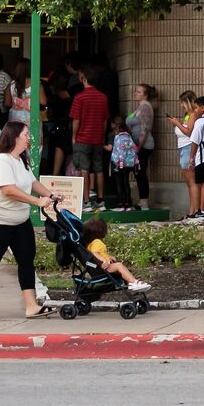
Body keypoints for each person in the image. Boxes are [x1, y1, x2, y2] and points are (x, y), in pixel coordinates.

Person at [0, 121, 59, 320]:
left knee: (26, 258)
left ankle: (31, 306)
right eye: (27, 134)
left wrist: (51, 195)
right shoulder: (1, 160)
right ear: (15, 137)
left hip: (19, 220)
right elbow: (8, 190)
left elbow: (32, 182)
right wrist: (38, 201)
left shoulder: (20, 159)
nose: (29, 138)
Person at [68, 70, 111, 209]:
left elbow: (76, 120)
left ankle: (86, 201)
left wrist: (74, 136)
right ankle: (100, 200)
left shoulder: (79, 97)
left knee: (84, 169)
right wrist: (102, 135)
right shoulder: (103, 97)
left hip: (83, 138)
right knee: (99, 169)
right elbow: (105, 120)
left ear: (84, 79)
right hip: (98, 138)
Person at [81, 217, 150, 292]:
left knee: (121, 267)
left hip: (98, 268)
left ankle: (127, 281)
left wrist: (109, 257)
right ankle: (133, 282)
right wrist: (103, 261)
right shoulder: (97, 242)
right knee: (119, 266)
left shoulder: (91, 243)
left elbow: (99, 253)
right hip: (103, 268)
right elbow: (94, 253)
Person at [120, 83, 156, 212]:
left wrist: (138, 146)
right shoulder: (139, 107)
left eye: (139, 92)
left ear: (145, 95)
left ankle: (144, 202)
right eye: (136, 91)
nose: (136, 93)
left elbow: (144, 129)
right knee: (137, 172)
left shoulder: (146, 107)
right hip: (135, 144)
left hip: (143, 145)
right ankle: (141, 201)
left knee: (140, 172)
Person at [172, 90, 202, 220]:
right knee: (189, 183)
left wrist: (176, 123)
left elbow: (190, 132)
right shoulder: (187, 115)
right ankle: (191, 210)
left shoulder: (194, 114)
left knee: (192, 182)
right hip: (183, 148)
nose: (181, 105)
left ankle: (195, 210)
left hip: (189, 147)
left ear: (188, 102)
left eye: (183, 103)